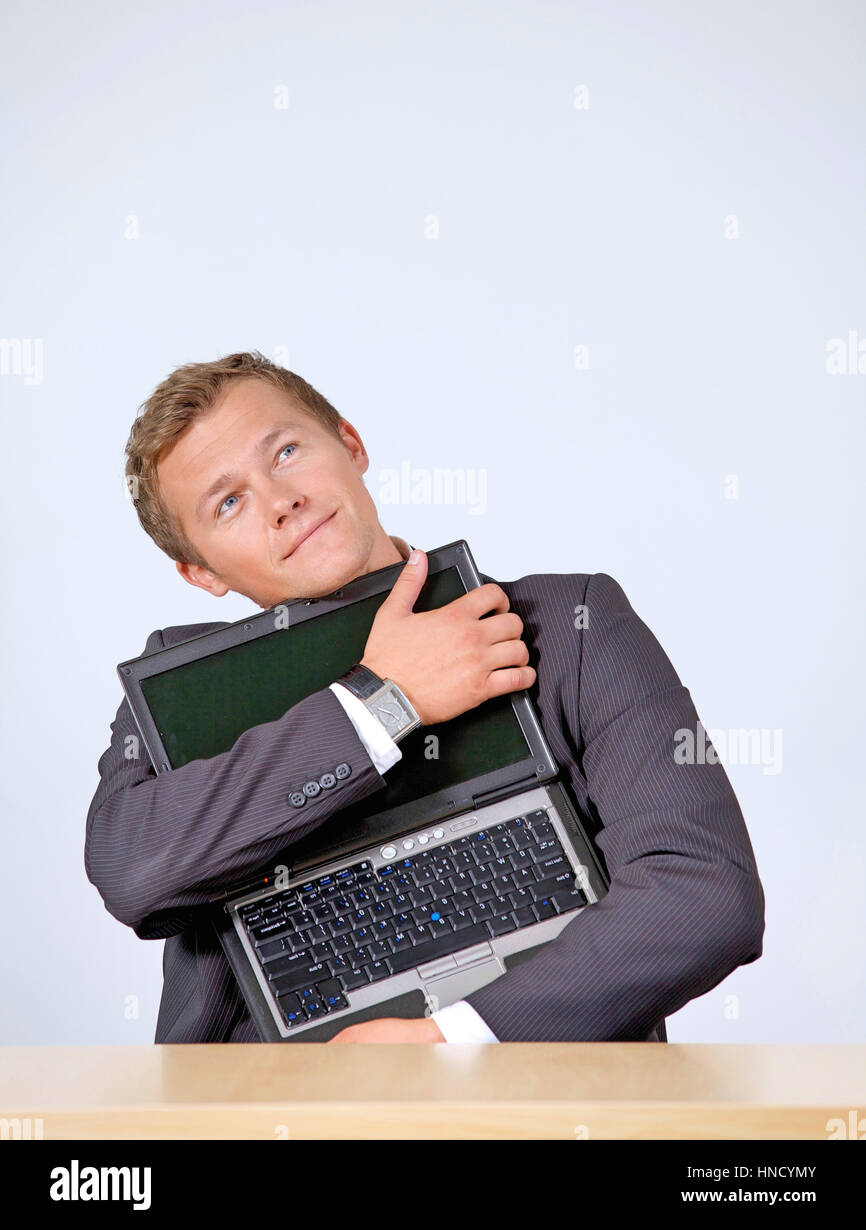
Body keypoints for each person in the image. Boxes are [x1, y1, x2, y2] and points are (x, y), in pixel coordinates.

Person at [85, 351, 765, 1043]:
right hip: (276, 1111)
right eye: (228, 502)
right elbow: (133, 872)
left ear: (351, 444)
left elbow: (704, 891)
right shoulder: (174, 695)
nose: (280, 502)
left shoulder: (573, 625)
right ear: (200, 572)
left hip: (546, 1102)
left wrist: (452, 1042)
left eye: (286, 451)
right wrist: (385, 700)